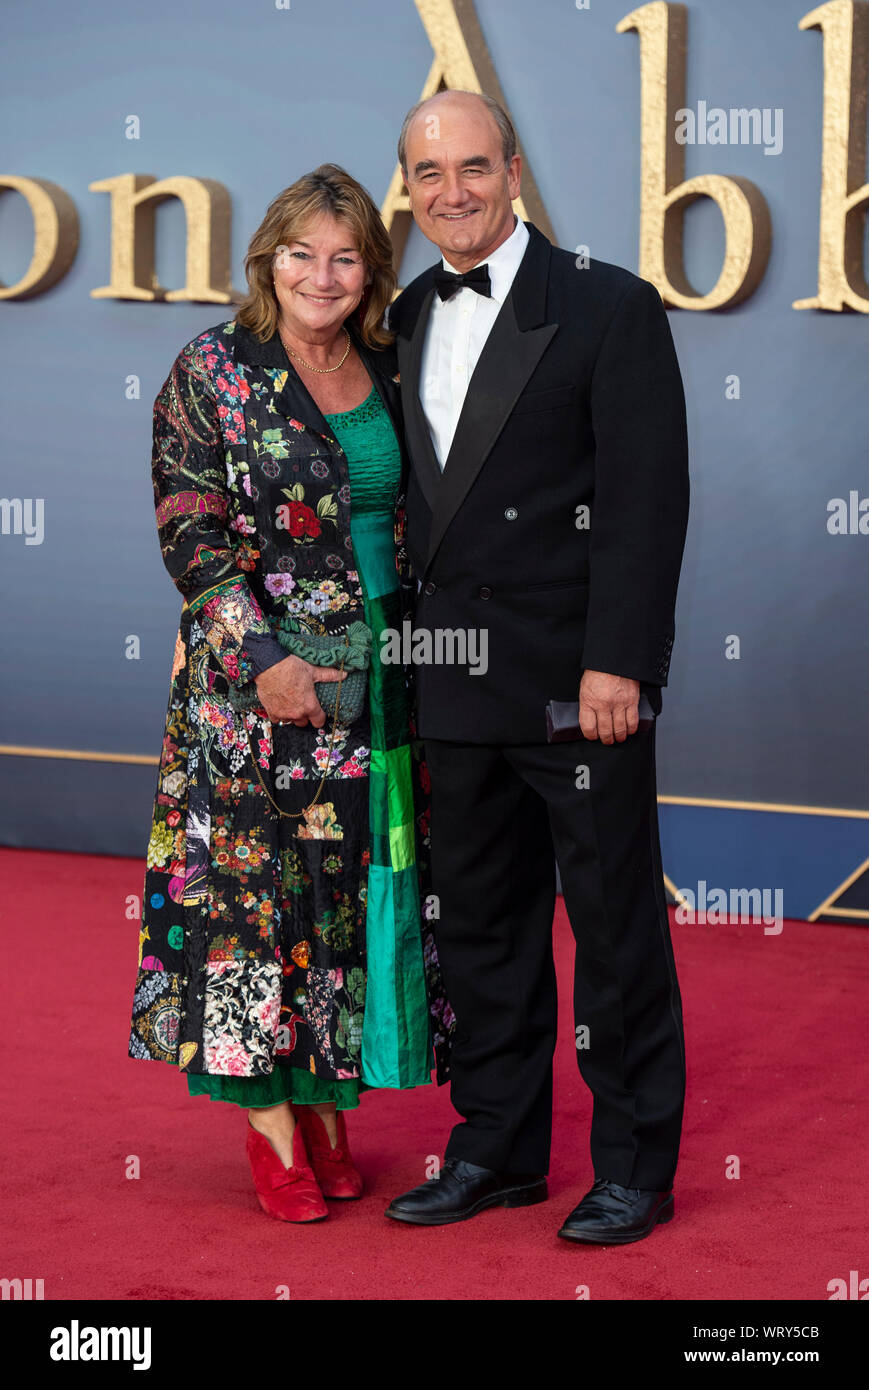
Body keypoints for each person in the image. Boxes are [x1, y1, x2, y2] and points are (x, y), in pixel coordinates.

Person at [384, 91, 690, 1244]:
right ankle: (496, 1150)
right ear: (406, 190)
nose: (451, 192)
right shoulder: (400, 315)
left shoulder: (608, 304)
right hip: (448, 675)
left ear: (512, 170)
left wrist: (620, 663)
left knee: (613, 929)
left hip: (577, 687)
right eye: (427, 175)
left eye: (472, 166)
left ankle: (632, 1166)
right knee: (482, 930)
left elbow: (643, 503)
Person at [129, 164, 451, 1223]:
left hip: (379, 679)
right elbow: (191, 531)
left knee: (340, 903)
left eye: (346, 255)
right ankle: (271, 1131)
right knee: (249, 910)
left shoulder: (392, 363)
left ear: (371, 270)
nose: (323, 273)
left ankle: (323, 1102)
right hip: (252, 686)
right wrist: (263, 655)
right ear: (268, 257)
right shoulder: (212, 369)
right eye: (302, 252)